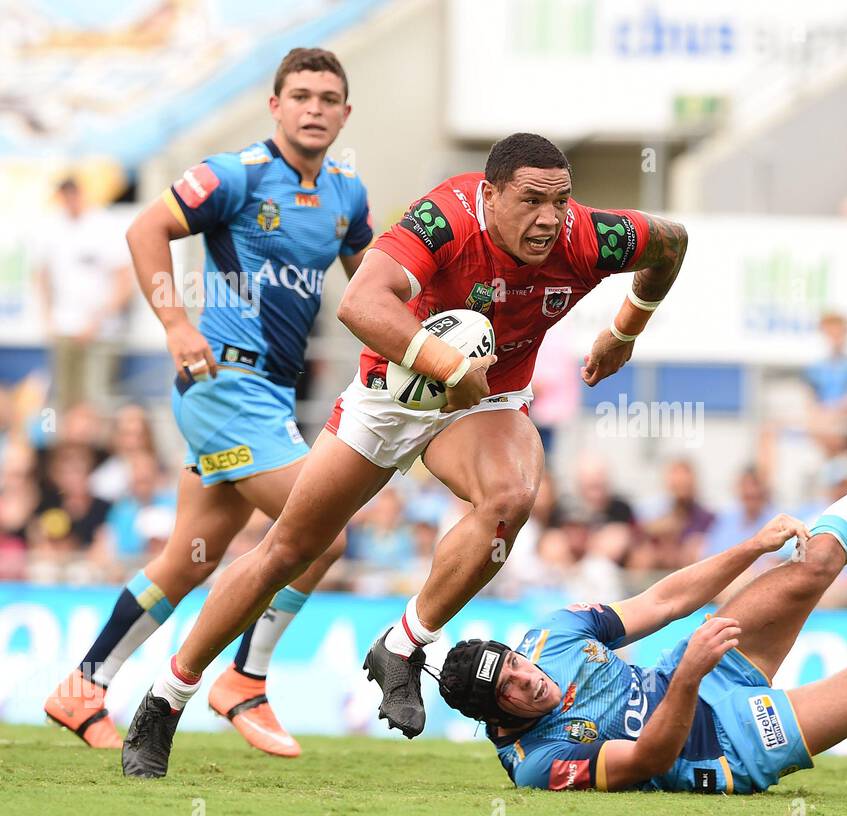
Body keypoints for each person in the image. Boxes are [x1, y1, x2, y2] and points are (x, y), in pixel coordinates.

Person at [119, 132, 689, 778]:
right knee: (288, 549)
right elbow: (361, 301)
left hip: (486, 400)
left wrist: (624, 330)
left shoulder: (587, 237)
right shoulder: (445, 216)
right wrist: (445, 363)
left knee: (510, 497)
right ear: (490, 193)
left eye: (561, 201)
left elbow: (671, 243)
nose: (549, 219)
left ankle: (403, 643)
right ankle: (166, 700)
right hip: (395, 388)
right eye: (532, 201)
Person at [438, 388, 847, 794]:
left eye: (515, 663)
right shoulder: (537, 765)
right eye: (512, 690)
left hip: (695, 670)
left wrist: (751, 548)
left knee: (812, 559)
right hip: (720, 746)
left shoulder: (551, 635)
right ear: (496, 718)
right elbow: (646, 762)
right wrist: (688, 678)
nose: (528, 676)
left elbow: (664, 601)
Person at [44, 48, 372, 756]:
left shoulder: (348, 194)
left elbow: (374, 284)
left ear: (346, 114)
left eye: (328, 98)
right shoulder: (234, 174)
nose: (314, 108)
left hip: (272, 397)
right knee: (323, 530)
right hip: (224, 385)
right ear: (276, 106)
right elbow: (144, 230)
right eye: (301, 95)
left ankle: (84, 685)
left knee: (190, 559)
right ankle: (243, 678)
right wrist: (173, 321)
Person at [31, 177, 134, 412]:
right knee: (62, 399)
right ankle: (57, 444)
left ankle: (99, 449)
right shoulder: (52, 227)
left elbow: (124, 280)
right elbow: (41, 275)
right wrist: (48, 319)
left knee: (97, 400)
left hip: (101, 330)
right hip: (64, 326)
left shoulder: (103, 224)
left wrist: (97, 321)